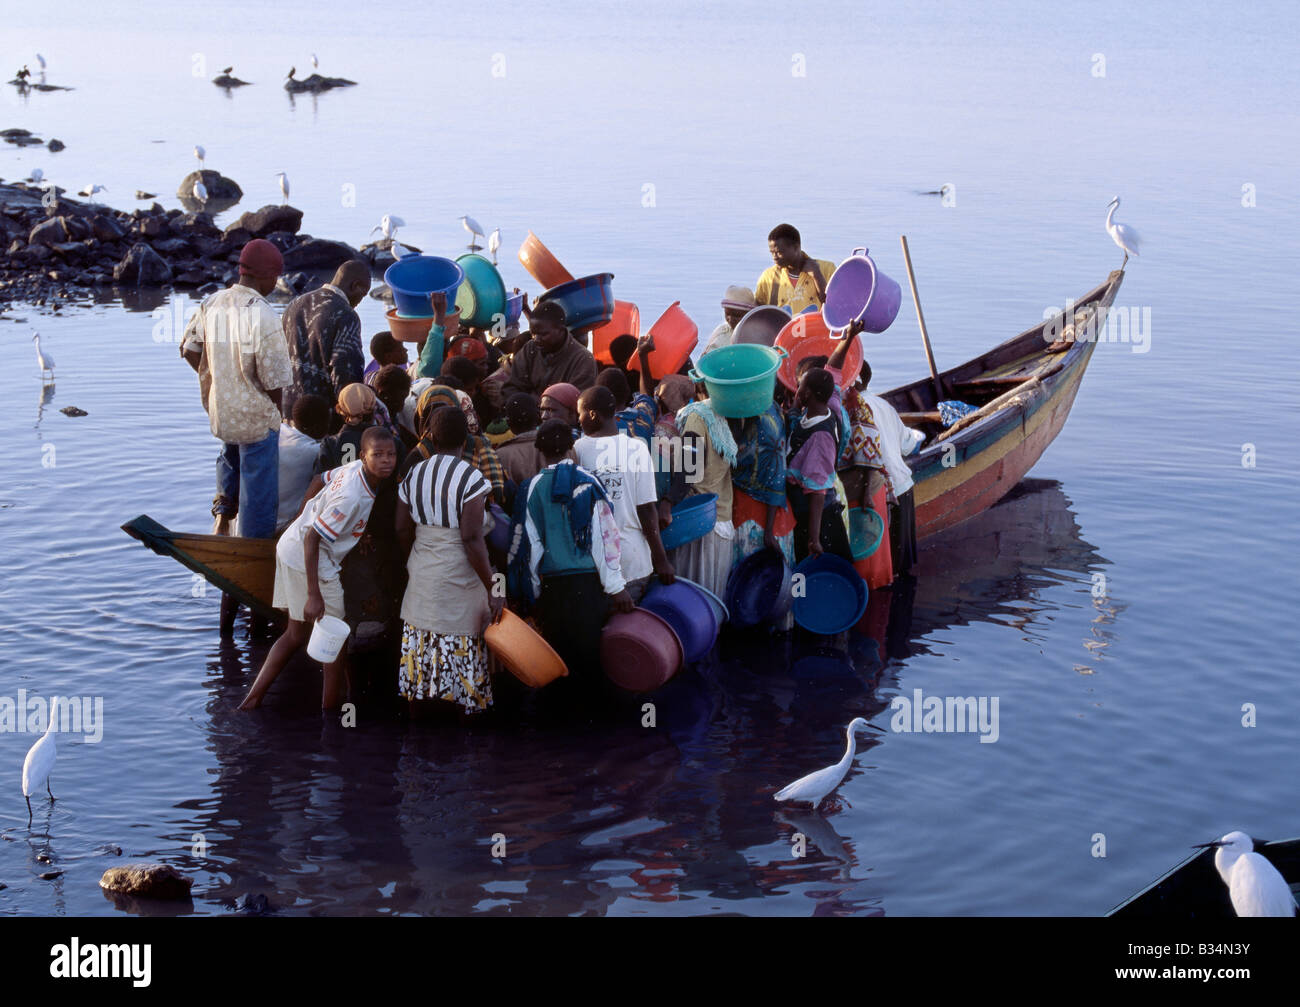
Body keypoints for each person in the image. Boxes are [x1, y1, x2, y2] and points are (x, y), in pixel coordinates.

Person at [240, 426, 398, 710]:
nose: (386, 460)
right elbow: (313, 538)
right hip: (308, 558)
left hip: (292, 547)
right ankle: (333, 712)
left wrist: (301, 518)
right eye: (378, 455)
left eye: (391, 455)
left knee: (296, 634)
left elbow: (318, 479)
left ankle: (251, 701)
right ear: (364, 456)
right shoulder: (353, 496)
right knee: (335, 638)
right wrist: (314, 593)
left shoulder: (353, 469)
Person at [181, 238, 293, 539]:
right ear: (265, 275)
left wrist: (218, 377)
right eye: (275, 278)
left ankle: (221, 520)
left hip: (223, 412)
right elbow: (275, 380)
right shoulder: (263, 314)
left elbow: (190, 348)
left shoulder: (212, 302)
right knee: (258, 498)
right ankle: (250, 553)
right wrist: (277, 415)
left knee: (229, 458)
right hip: (256, 421)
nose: (275, 284)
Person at [394, 406, 503, 715]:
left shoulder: (414, 473)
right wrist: (493, 586)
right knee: (463, 652)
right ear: (467, 439)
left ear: (430, 438)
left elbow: (402, 527)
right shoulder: (471, 478)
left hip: (422, 570)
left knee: (420, 653)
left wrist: (412, 561)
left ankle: (419, 732)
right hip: (459, 578)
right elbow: (471, 538)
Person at [508, 419, 633, 677]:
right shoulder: (589, 482)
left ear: (539, 451)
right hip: (589, 588)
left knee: (558, 666)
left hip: (553, 591)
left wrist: (533, 594)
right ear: (570, 448)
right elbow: (604, 539)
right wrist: (616, 587)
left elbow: (531, 546)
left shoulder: (531, 488)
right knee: (590, 666)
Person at [574, 385, 674, 600]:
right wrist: (661, 560)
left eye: (579, 413)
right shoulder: (636, 448)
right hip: (633, 563)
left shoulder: (577, 450)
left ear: (592, 414)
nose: (578, 420)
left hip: (593, 565)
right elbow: (647, 510)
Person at [281, 260, 371, 422]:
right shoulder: (345, 315)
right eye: (363, 294)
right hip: (322, 417)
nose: (360, 301)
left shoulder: (293, 305)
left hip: (288, 410)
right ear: (355, 285)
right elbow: (345, 370)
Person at [671, 395, 737, 600]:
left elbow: (687, 471)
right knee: (711, 601)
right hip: (722, 522)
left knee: (690, 602)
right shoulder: (733, 415)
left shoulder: (698, 417)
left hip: (698, 525)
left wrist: (667, 503)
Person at [786, 367, 852, 561]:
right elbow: (834, 369)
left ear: (806, 394)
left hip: (818, 517)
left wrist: (814, 539)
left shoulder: (820, 438)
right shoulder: (829, 407)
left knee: (820, 570)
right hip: (811, 509)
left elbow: (817, 492)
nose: (796, 390)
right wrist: (847, 339)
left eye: (800, 387)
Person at [404, 384, 505, 503]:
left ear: (421, 414)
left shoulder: (418, 454)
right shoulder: (478, 444)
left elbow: (405, 497)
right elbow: (497, 493)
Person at [502, 300, 598, 398]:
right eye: (533, 333)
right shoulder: (530, 348)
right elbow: (512, 387)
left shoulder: (582, 359)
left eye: (543, 334)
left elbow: (576, 402)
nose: (536, 339)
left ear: (561, 330)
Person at [277, 393, 331, 533]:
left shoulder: (281, 431)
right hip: (283, 526)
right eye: (327, 423)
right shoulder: (314, 452)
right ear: (317, 427)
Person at [755, 223, 835, 315]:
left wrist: (817, 275)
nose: (774, 257)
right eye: (772, 252)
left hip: (816, 328)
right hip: (782, 329)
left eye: (779, 252)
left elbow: (834, 305)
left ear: (796, 248)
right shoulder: (768, 276)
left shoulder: (826, 268)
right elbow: (758, 309)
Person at [597, 366, 656, 447]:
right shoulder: (644, 414)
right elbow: (646, 394)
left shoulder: (599, 430)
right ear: (628, 391)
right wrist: (643, 359)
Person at [701, 285, 757, 355]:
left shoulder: (757, 335)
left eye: (736, 315)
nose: (730, 319)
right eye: (727, 314)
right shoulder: (721, 333)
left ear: (750, 315)